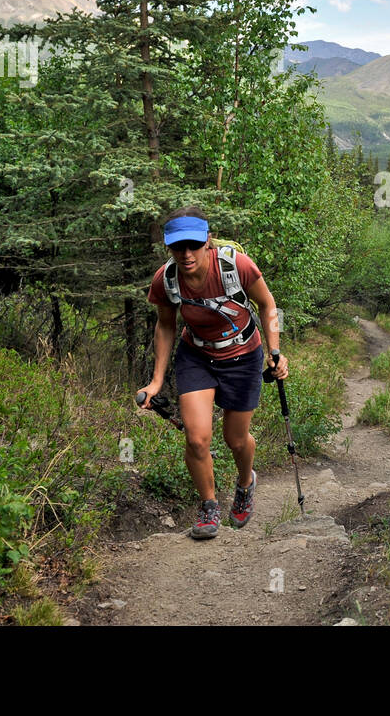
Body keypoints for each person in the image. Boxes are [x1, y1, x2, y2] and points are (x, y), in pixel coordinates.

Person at [137, 206, 288, 539]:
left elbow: (267, 304)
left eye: (193, 245)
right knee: (196, 437)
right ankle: (208, 508)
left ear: (207, 240)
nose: (186, 254)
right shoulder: (165, 279)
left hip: (244, 356)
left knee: (235, 439)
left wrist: (275, 352)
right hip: (197, 356)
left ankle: (246, 482)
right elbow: (165, 325)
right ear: (169, 247)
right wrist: (157, 380)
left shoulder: (236, 266)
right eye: (178, 247)